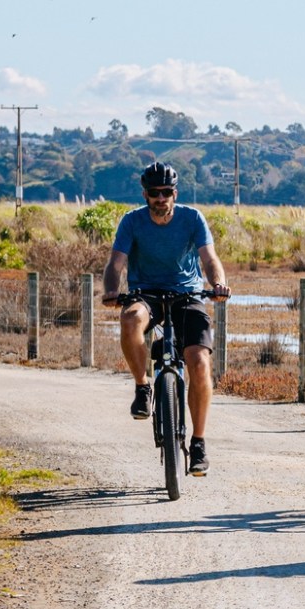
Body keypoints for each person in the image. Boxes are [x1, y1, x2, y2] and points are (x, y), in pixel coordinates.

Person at [102, 162, 233, 476]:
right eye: (154, 193)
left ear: (175, 193)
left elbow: (209, 258)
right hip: (146, 293)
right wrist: (110, 290)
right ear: (145, 194)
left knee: (199, 361)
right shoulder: (132, 222)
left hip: (187, 295)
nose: (161, 199)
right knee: (131, 319)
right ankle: (142, 387)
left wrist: (217, 284)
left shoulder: (192, 218)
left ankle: (198, 443)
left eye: (166, 193)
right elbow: (115, 263)